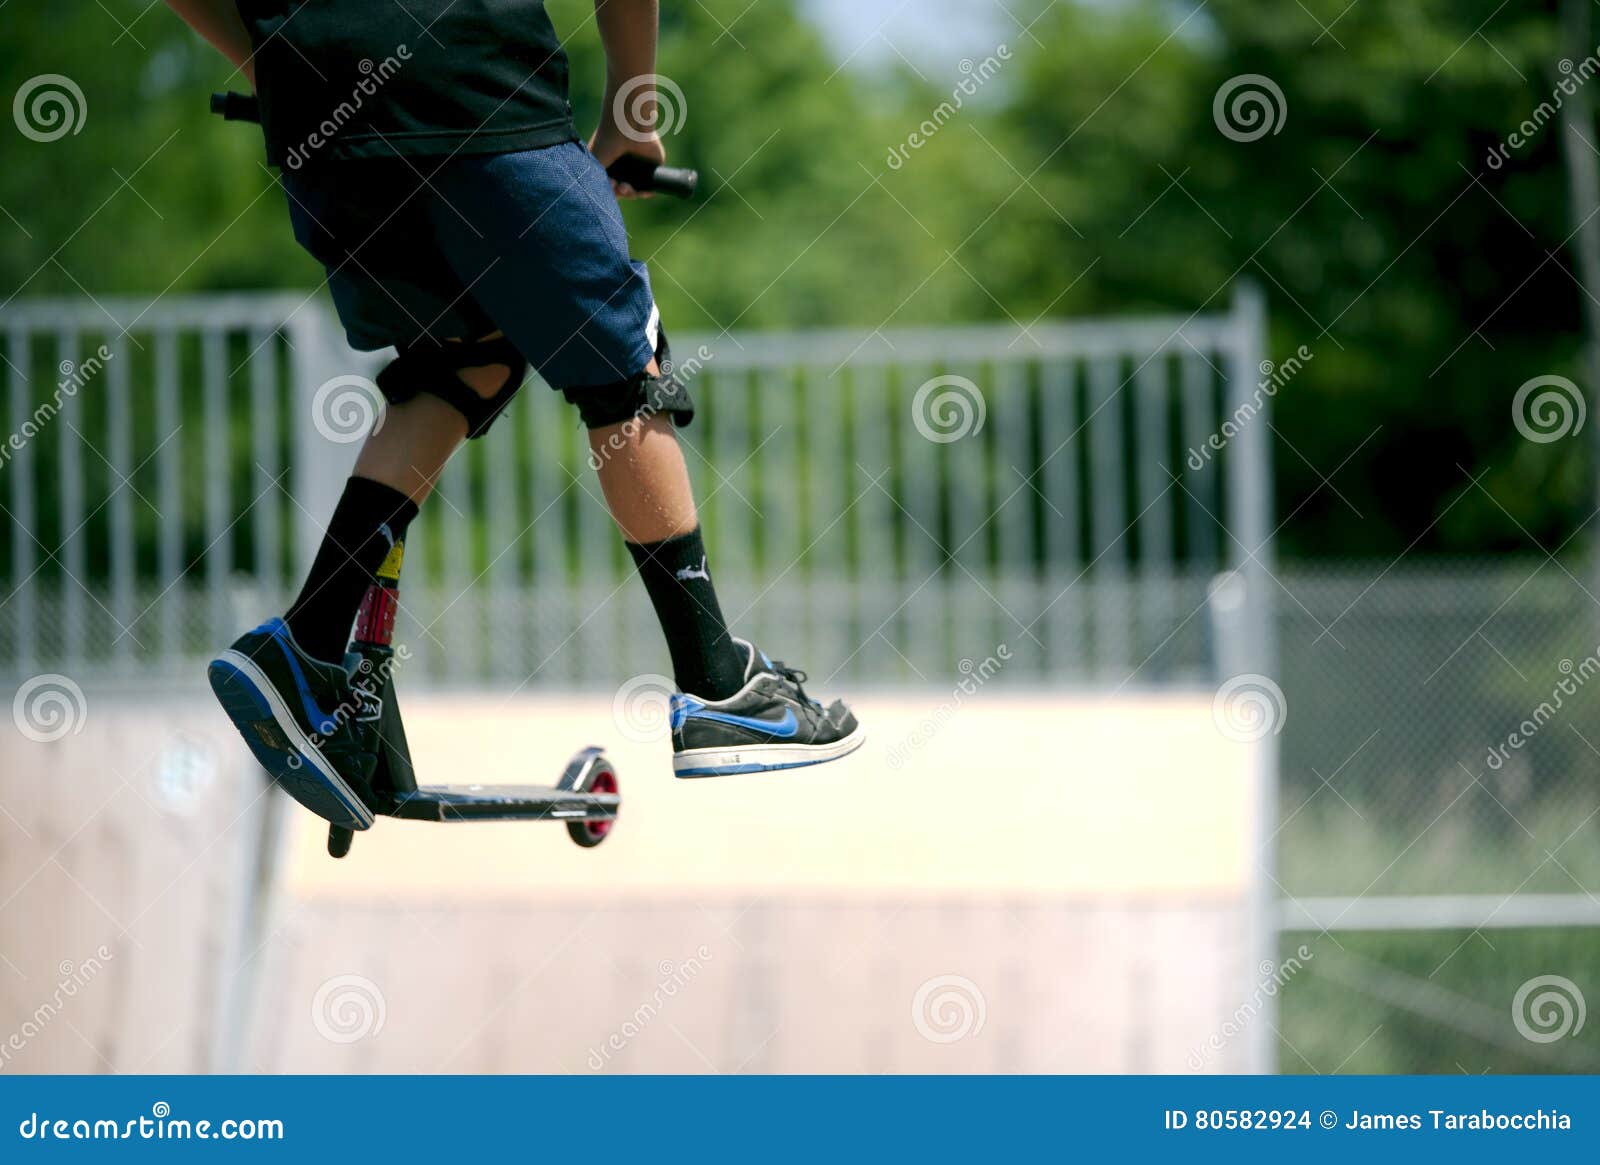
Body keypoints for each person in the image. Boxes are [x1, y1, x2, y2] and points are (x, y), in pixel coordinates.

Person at [163, 0, 863, 831]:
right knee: (620, 368)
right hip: (481, 92)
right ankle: (720, 684)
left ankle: (307, 644)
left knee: (459, 360)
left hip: (324, 147)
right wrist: (630, 112)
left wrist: (288, 71)